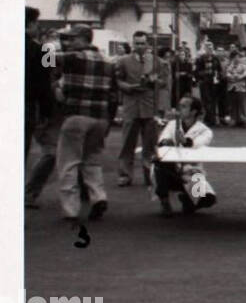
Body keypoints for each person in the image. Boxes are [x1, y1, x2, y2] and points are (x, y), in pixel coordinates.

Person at [52, 25, 115, 221]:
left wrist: (49, 43)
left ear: (83, 38)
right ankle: (98, 197)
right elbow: (113, 94)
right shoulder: (108, 61)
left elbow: (46, 62)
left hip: (76, 115)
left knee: (68, 163)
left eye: (72, 39)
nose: (68, 42)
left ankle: (71, 210)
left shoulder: (73, 58)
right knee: (92, 160)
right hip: (100, 117)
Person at [115, 30, 170, 186]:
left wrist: (154, 82)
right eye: (136, 43)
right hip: (131, 106)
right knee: (127, 143)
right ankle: (125, 175)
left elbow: (164, 81)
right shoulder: (123, 61)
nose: (139, 46)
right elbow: (118, 80)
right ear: (133, 44)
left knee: (150, 144)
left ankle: (150, 174)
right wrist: (128, 87)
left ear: (147, 44)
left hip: (149, 106)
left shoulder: (157, 61)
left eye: (142, 43)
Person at [153, 96, 217, 215]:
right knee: (160, 163)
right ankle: (164, 201)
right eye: (179, 106)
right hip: (171, 170)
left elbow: (199, 143)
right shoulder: (172, 125)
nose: (179, 109)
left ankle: (188, 200)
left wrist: (185, 141)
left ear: (193, 111)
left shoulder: (205, 131)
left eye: (183, 106)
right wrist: (167, 142)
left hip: (192, 171)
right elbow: (162, 141)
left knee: (209, 199)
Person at [26, 7, 56, 162]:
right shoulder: (45, 50)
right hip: (28, 106)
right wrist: (47, 112)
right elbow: (47, 80)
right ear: (30, 24)